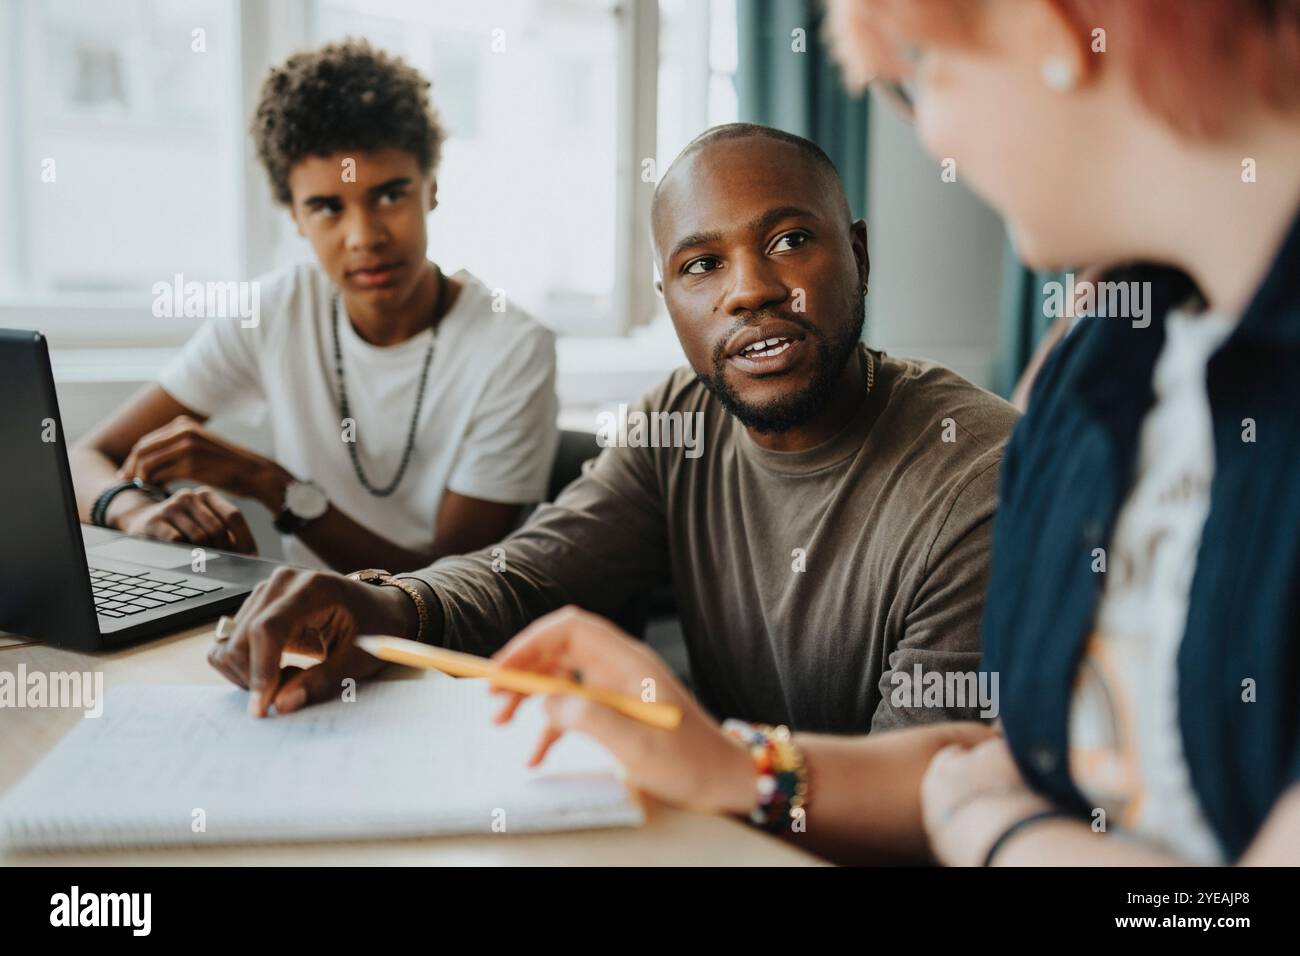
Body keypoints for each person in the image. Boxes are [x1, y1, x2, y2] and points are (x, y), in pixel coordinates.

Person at [477, 0, 1300, 867]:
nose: (933, 139)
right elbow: (996, 764)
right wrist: (732, 767)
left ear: (1053, 35)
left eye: (926, 73)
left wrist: (1001, 836)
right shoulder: (1096, 362)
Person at [210, 123, 1020, 739]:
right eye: (702, 264)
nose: (749, 291)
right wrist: (383, 607)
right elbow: (525, 577)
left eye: (789, 241)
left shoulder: (982, 473)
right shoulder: (680, 418)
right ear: (667, 298)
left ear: (859, 257)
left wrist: (706, 770)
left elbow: (922, 791)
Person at [70, 39, 558, 574]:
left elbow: (449, 587)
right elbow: (82, 458)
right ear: (295, 216)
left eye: (390, 195)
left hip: (443, 648)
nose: (364, 237)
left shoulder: (514, 347)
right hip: (301, 632)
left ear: (431, 190)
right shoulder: (275, 311)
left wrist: (271, 487)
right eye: (328, 207)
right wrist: (134, 512)